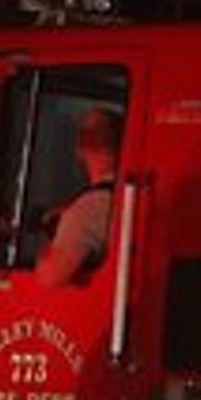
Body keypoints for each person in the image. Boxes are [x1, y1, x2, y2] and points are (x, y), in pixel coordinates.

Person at [34, 106, 121, 287]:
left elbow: (49, 277)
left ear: (80, 149)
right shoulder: (117, 199)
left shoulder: (85, 211)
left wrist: (51, 238)